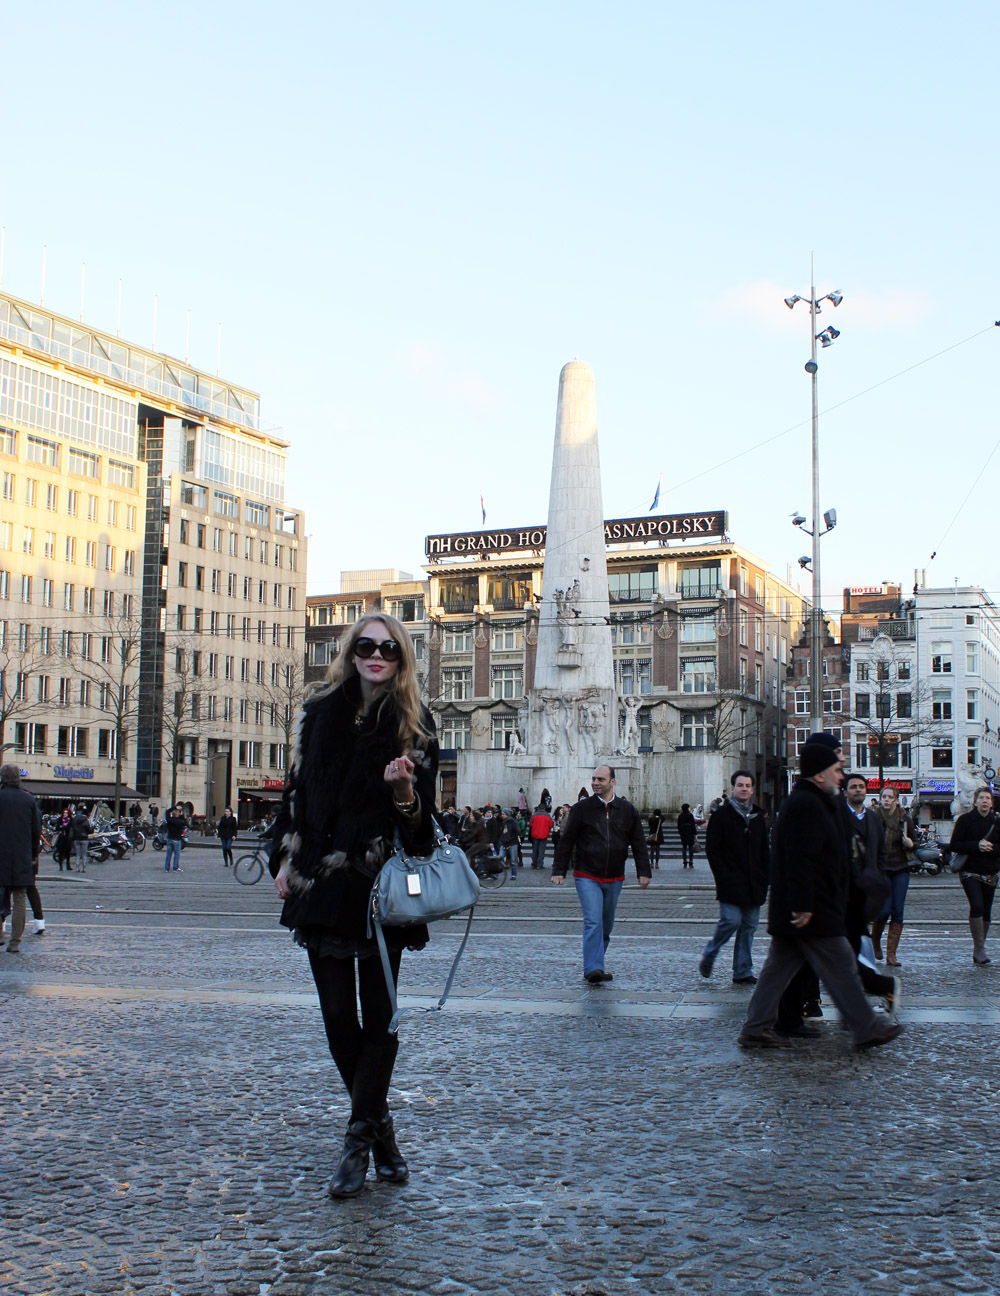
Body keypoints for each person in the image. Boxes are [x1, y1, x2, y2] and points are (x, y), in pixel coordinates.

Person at [270, 613, 438, 1199]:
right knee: (338, 1018)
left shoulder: (417, 726)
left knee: (380, 1018)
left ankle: (357, 1142)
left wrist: (404, 793)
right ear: (351, 651)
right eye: (366, 645)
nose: (376, 655)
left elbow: (421, 837)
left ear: (401, 658)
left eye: (388, 648)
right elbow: (294, 795)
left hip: (381, 891)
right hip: (322, 886)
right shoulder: (316, 714)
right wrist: (281, 857)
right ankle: (381, 1130)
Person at [737, 744, 903, 1052]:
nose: (841, 776)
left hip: (804, 907)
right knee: (841, 966)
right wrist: (803, 904)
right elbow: (801, 859)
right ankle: (866, 1028)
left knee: (777, 970)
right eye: (837, 770)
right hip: (811, 909)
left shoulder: (814, 801)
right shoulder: (806, 804)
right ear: (819, 774)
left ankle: (755, 1027)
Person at [551, 765, 651, 983]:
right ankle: (593, 968)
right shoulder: (581, 809)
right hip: (586, 873)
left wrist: (644, 871)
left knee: (606, 925)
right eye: (594, 778)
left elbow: (638, 843)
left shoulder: (627, 809)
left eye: (600, 779)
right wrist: (559, 870)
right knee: (593, 921)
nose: (595, 782)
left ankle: (596, 962)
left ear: (612, 782)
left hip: (615, 875)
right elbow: (566, 840)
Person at [699, 771, 769, 986]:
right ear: (733, 788)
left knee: (749, 926)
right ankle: (711, 952)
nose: (744, 789)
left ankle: (742, 970)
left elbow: (764, 851)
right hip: (731, 880)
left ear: (752, 789)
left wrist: (766, 876)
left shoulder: (758, 817)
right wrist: (723, 876)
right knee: (730, 920)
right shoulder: (721, 816)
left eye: (748, 785)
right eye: (740, 785)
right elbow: (713, 850)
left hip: (754, 882)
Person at [950, 787, 999, 965]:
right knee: (977, 905)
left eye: (988, 798)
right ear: (975, 801)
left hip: (990, 872)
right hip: (969, 871)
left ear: (991, 802)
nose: (984, 801)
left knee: (986, 910)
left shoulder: (996, 821)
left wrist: (992, 847)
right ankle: (979, 949)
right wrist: (976, 846)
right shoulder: (965, 820)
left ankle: (980, 947)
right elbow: (954, 845)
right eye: (981, 798)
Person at [0, 764, 42, 955]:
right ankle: (15, 942)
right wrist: (33, 854)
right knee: (19, 899)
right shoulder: (29, 800)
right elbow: (36, 831)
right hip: (21, 856)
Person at [872, 785, 915, 967]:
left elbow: (915, 843)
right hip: (881, 869)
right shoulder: (873, 818)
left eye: (890, 797)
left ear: (896, 800)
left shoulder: (904, 819)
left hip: (900, 868)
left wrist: (910, 843)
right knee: (883, 910)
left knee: (897, 910)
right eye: (884, 797)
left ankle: (891, 954)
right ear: (880, 799)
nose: (887, 800)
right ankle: (875, 942)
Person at [163, 804, 187, 872]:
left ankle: (167, 868)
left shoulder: (170, 820)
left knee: (168, 854)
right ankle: (175, 867)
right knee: (177, 854)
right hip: (177, 839)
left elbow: (167, 812)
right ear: (178, 814)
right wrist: (182, 815)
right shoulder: (179, 821)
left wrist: (174, 807)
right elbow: (185, 823)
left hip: (170, 838)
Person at [529, 804, 553, 869]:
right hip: (544, 834)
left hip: (535, 834)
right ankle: (540, 864)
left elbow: (531, 824)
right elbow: (550, 825)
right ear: (544, 809)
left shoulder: (534, 815)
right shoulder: (547, 815)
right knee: (541, 850)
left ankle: (534, 863)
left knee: (535, 850)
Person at [498, 811, 521, 878]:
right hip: (504, 843)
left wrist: (510, 841)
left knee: (513, 860)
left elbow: (517, 832)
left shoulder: (513, 822)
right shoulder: (503, 823)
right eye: (502, 814)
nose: (502, 815)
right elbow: (502, 833)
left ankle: (514, 874)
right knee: (500, 857)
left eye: (503, 814)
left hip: (512, 843)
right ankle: (497, 873)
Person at [71, 803, 91, 873]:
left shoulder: (74, 820)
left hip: (76, 838)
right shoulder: (86, 820)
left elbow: (72, 829)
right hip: (84, 838)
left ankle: (77, 868)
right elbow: (89, 830)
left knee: (78, 854)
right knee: (84, 854)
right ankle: (84, 868)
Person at [677, 803, 697, 869]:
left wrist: (680, 832)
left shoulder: (680, 816)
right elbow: (693, 825)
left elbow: (678, 825)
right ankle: (691, 861)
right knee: (691, 847)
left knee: (684, 847)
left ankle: (685, 861)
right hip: (690, 832)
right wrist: (695, 833)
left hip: (683, 833)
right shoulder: (690, 815)